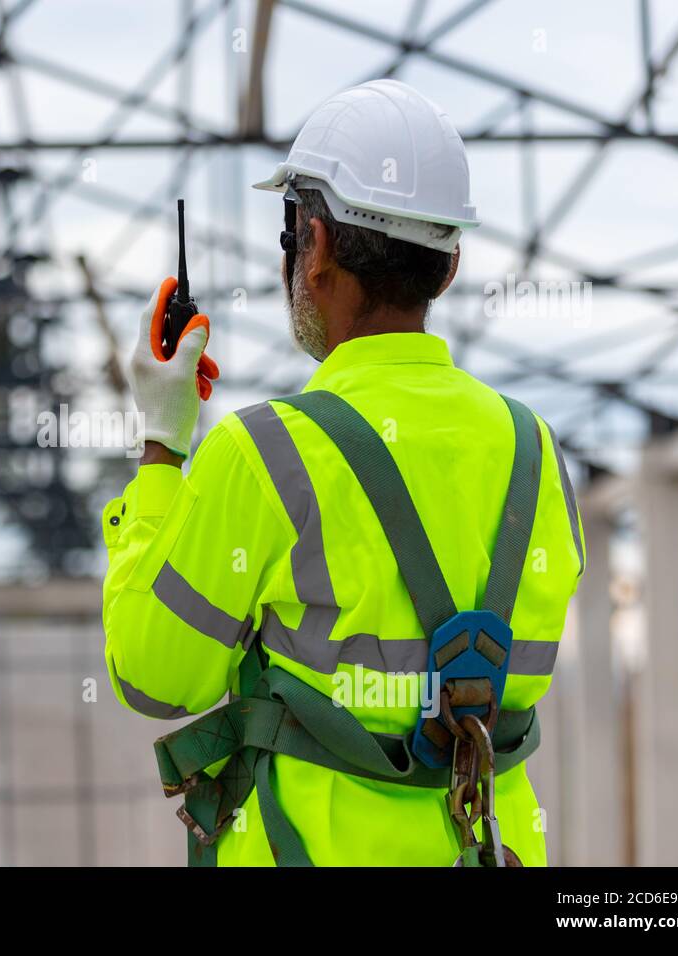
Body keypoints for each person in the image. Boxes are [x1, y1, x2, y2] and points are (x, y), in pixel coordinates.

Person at [101, 79, 585, 866]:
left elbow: (155, 677)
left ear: (316, 244)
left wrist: (161, 448)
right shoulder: (535, 452)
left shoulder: (265, 455)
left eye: (291, 234)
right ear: (450, 264)